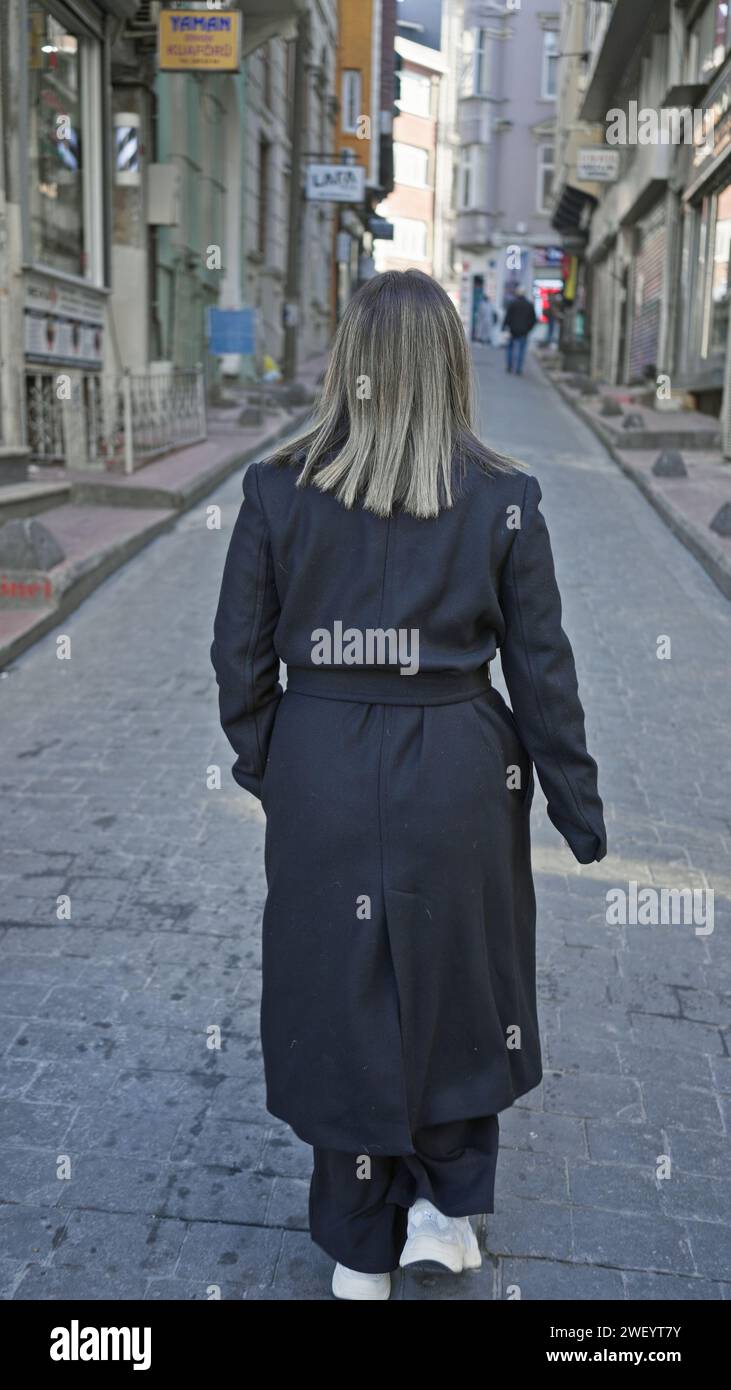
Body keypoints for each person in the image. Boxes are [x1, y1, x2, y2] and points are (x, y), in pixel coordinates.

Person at [210, 269, 606, 1301]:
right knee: (457, 980)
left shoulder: (274, 488)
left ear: (349, 363)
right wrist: (574, 802)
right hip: (459, 771)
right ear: (449, 367)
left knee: (338, 989)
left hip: (322, 762)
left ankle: (358, 1242)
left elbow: (238, 660)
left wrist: (277, 767)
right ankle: (440, 1206)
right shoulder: (503, 497)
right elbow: (542, 669)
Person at [502, 287, 537, 374]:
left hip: (513, 330)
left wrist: (504, 326)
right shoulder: (529, 305)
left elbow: (508, 317)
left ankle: (509, 366)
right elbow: (533, 319)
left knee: (510, 348)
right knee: (521, 350)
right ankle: (518, 368)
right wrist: (529, 328)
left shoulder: (513, 303)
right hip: (524, 331)